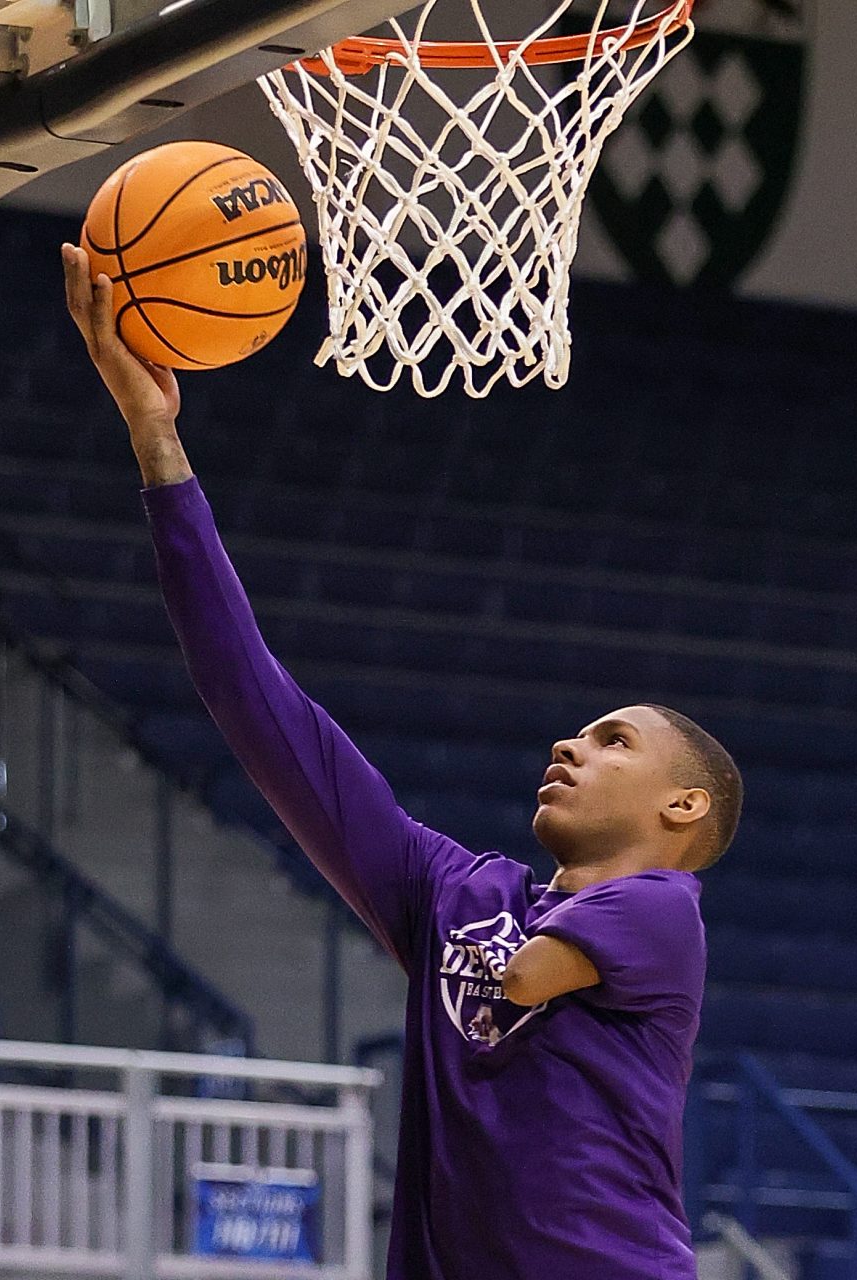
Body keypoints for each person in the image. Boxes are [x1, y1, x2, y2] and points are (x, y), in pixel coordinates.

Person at [60, 245, 744, 1280]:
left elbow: (523, 971)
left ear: (684, 805)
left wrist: (452, 938)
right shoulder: (456, 888)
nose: (569, 742)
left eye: (614, 739)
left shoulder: (663, 910)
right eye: (580, 728)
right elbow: (252, 700)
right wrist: (156, 442)